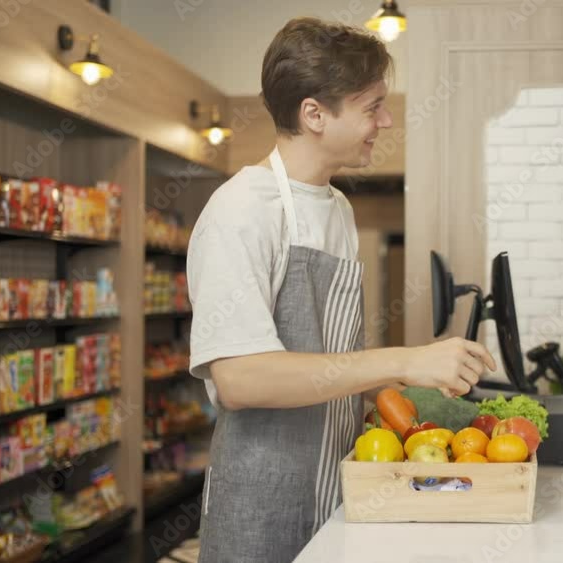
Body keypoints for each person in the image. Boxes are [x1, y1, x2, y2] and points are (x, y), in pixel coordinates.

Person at [186, 18, 497, 562]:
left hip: (338, 483)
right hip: (263, 501)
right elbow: (240, 378)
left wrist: (407, 414)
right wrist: (404, 361)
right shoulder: (241, 211)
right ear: (314, 115)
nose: (387, 119)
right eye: (372, 106)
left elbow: (333, 362)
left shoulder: (338, 209)